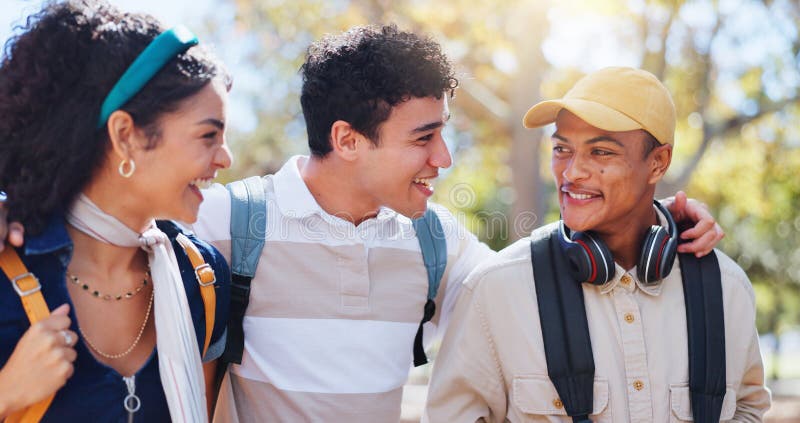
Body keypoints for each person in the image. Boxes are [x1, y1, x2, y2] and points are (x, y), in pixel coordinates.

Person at [0, 24, 722, 421]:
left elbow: (542, 271)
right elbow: (107, 206)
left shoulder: (435, 241)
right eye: (423, 137)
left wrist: (651, 214)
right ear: (347, 140)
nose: (444, 157)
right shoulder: (221, 223)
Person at [424, 67, 770, 422]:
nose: (572, 172)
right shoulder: (496, 291)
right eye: (562, 148)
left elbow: (749, 409)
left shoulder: (727, 289)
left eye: (601, 152)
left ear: (658, 163)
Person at [0, 1, 232, 421]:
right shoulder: (6, 268)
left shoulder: (203, 278)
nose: (225, 158)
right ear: (125, 135)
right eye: (208, 135)